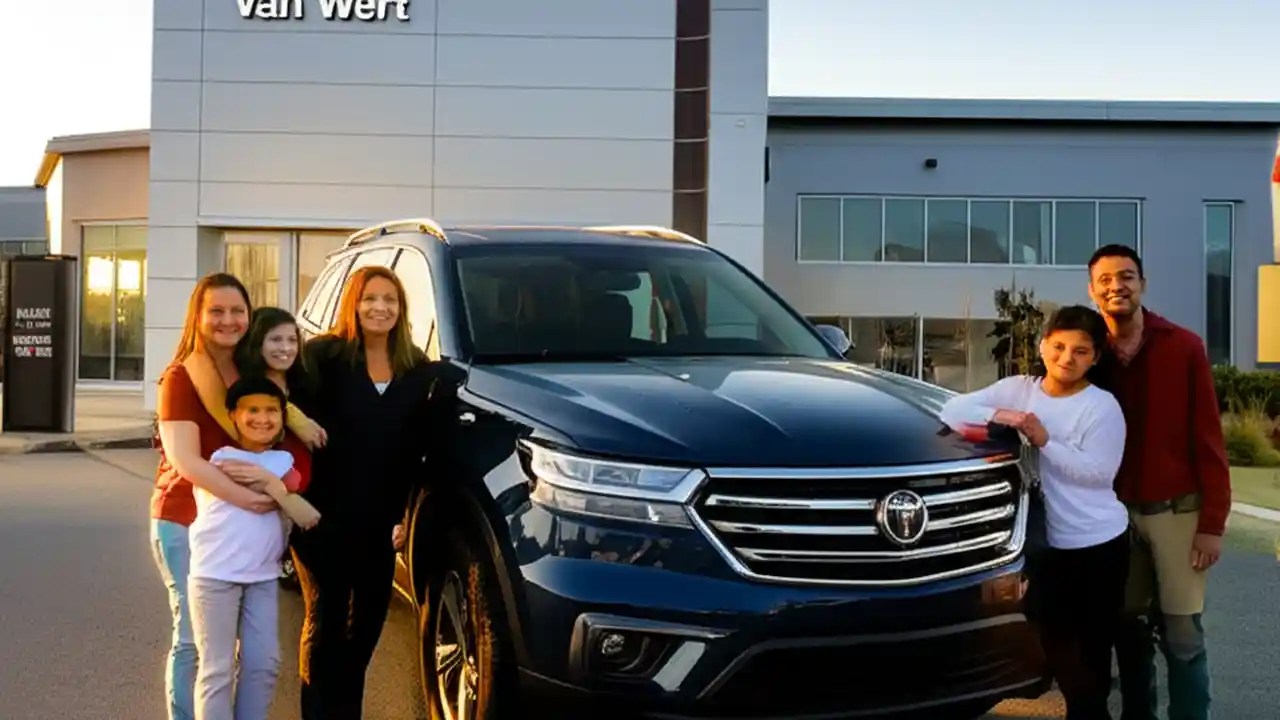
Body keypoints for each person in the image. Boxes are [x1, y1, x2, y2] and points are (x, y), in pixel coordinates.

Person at [940, 305, 1130, 720]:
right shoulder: (1019, 390)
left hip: (1098, 544)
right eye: (1058, 346)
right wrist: (1002, 416)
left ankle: (1089, 714)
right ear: (1043, 346)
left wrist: (1045, 440)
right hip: (1045, 546)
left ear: (1095, 358)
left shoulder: (1102, 407)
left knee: (1092, 652)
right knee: (1052, 640)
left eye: (1080, 351)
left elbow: (1099, 473)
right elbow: (951, 410)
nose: (1066, 358)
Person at [1086, 245, 1231, 720]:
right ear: (1092, 291)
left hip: (1179, 513)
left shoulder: (1183, 346)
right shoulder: (1089, 354)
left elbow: (1209, 439)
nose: (1117, 286)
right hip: (1116, 518)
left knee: (1183, 635)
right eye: (1105, 279)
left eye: (1126, 276)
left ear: (1142, 284)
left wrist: (1212, 524)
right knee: (1128, 632)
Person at [291, 265, 436, 719]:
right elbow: (276, 401)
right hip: (321, 519)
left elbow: (423, 449)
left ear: (401, 308)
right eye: (370, 298)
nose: (380, 308)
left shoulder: (416, 369)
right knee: (327, 623)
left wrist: (408, 514)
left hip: (378, 526)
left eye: (390, 299)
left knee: (365, 628)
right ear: (353, 304)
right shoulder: (323, 357)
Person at [151, 273, 274, 720]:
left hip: (238, 526)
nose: (228, 320)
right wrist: (249, 497)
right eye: (216, 311)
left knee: (245, 652)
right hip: (185, 518)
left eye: (237, 311)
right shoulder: (181, 376)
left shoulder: (252, 373)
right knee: (193, 640)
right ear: (197, 317)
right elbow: (186, 460)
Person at [188, 376, 311, 720]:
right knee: (217, 670)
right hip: (215, 575)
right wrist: (279, 492)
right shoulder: (222, 459)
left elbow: (299, 497)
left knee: (264, 663)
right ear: (233, 415)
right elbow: (282, 500)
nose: (262, 418)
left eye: (272, 410)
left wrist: (274, 485)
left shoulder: (284, 461)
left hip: (263, 576)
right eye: (252, 410)